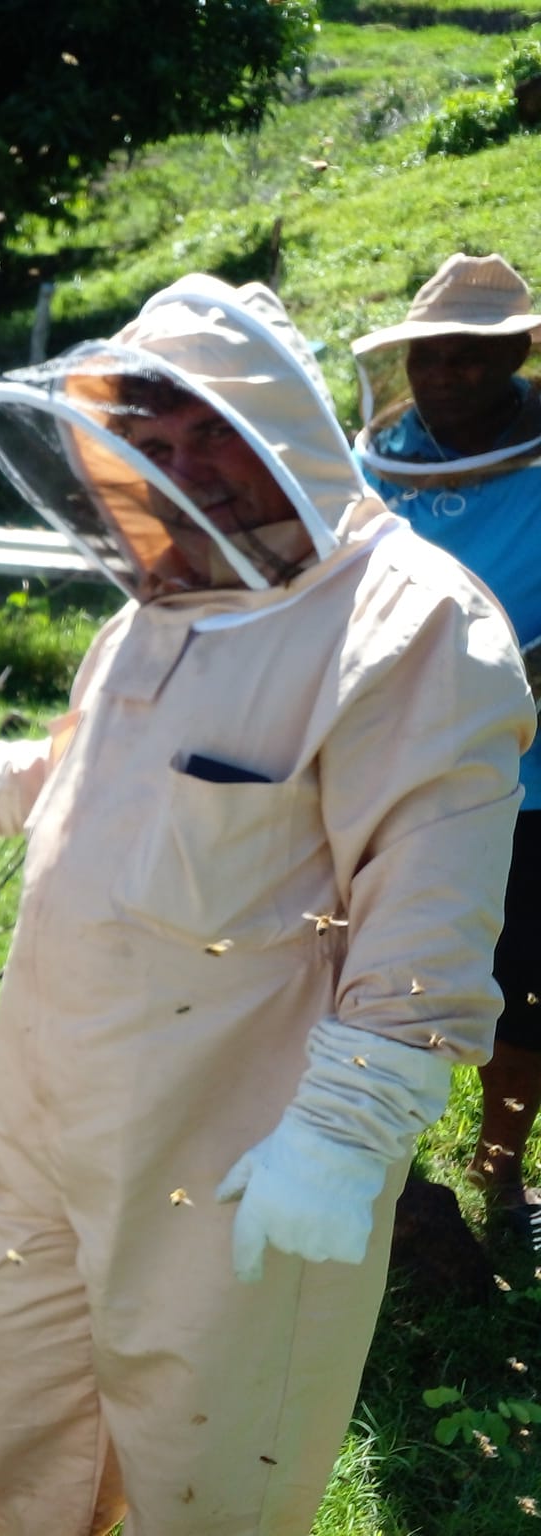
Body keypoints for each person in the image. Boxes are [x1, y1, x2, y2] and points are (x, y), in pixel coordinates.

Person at [0, 275, 532, 1535]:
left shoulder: (415, 625)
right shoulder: (160, 600)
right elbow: (73, 777)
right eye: (153, 444)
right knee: (22, 1404)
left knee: (210, 1470)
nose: (186, 473)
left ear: (284, 427)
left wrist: (340, 1137)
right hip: (48, 1121)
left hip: (228, 1160)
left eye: (213, 434)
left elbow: (427, 918)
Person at [352, 251, 541, 1251]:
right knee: (369, 965)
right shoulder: (377, 462)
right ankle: (373, 1161)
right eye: (427, 356)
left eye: (467, 356)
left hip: (529, 776)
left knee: (526, 984)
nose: (442, 375)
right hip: (386, 770)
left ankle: (498, 1179)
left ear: (516, 355)